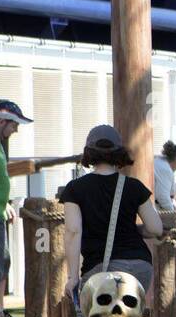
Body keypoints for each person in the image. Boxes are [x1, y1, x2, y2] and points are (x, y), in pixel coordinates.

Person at [60, 125, 164, 301]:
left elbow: (73, 231)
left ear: (88, 152)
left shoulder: (75, 189)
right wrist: (136, 230)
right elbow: (156, 228)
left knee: (97, 316)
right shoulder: (134, 186)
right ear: (119, 152)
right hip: (140, 267)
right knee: (129, 313)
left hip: (101, 268)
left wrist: (72, 278)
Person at [0, 99, 30, 317]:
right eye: (14, 125)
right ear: (2, 121)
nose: (15, 130)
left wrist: (4, 202)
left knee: (2, 261)